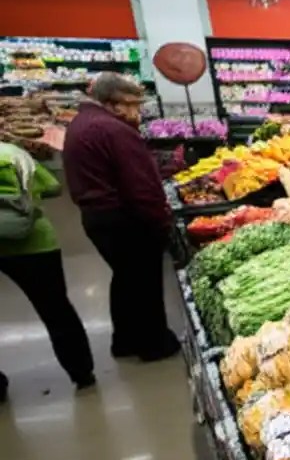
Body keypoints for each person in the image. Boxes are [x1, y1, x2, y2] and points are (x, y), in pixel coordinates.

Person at [62, 72, 179, 361]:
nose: (137, 112)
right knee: (145, 282)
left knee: (126, 278)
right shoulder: (114, 131)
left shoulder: (83, 122)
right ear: (114, 104)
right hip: (124, 219)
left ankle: (124, 340)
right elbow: (141, 187)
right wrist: (161, 223)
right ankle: (155, 345)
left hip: (98, 217)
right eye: (133, 105)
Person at [0, 143, 95, 393]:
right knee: (56, 309)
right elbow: (53, 186)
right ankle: (81, 372)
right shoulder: (12, 154)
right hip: (33, 243)